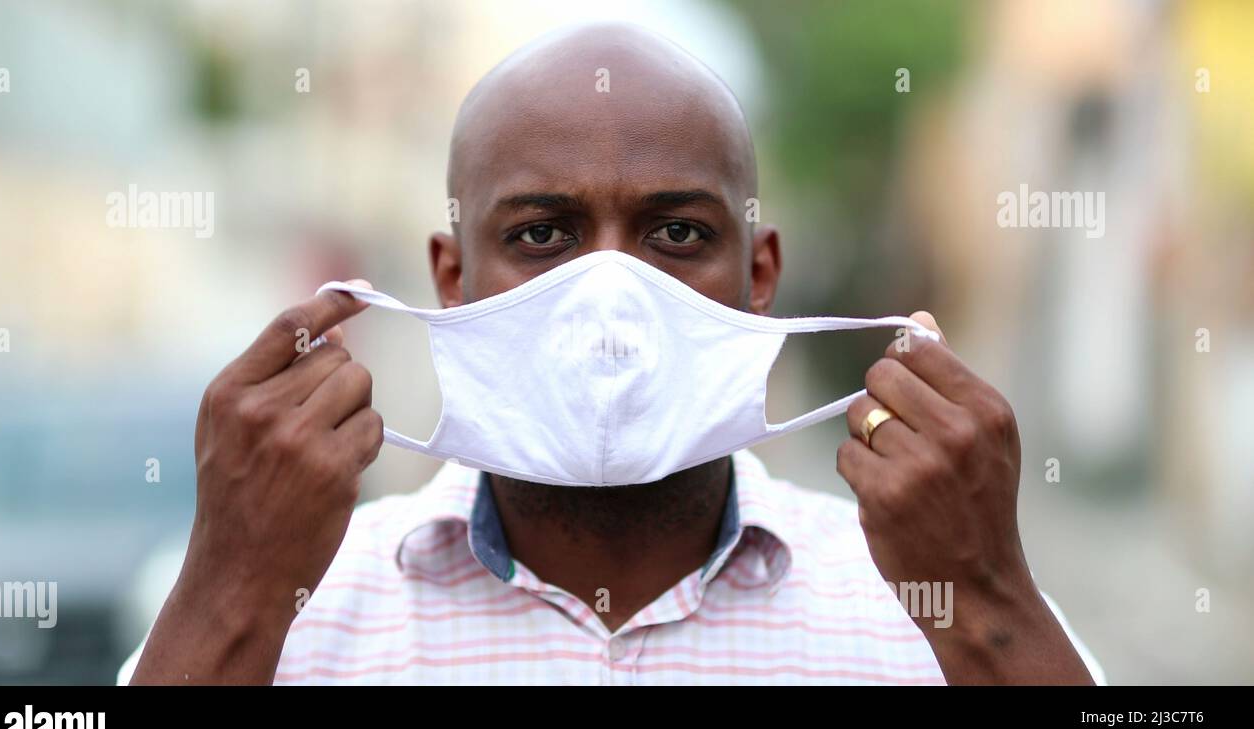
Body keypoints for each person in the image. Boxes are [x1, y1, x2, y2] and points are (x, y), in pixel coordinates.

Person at [123, 23, 1103, 685]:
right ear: (452, 277)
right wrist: (231, 587)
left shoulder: (920, 607)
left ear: (759, 274)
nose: (608, 294)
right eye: (542, 235)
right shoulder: (298, 611)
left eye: (674, 233)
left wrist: (986, 598)